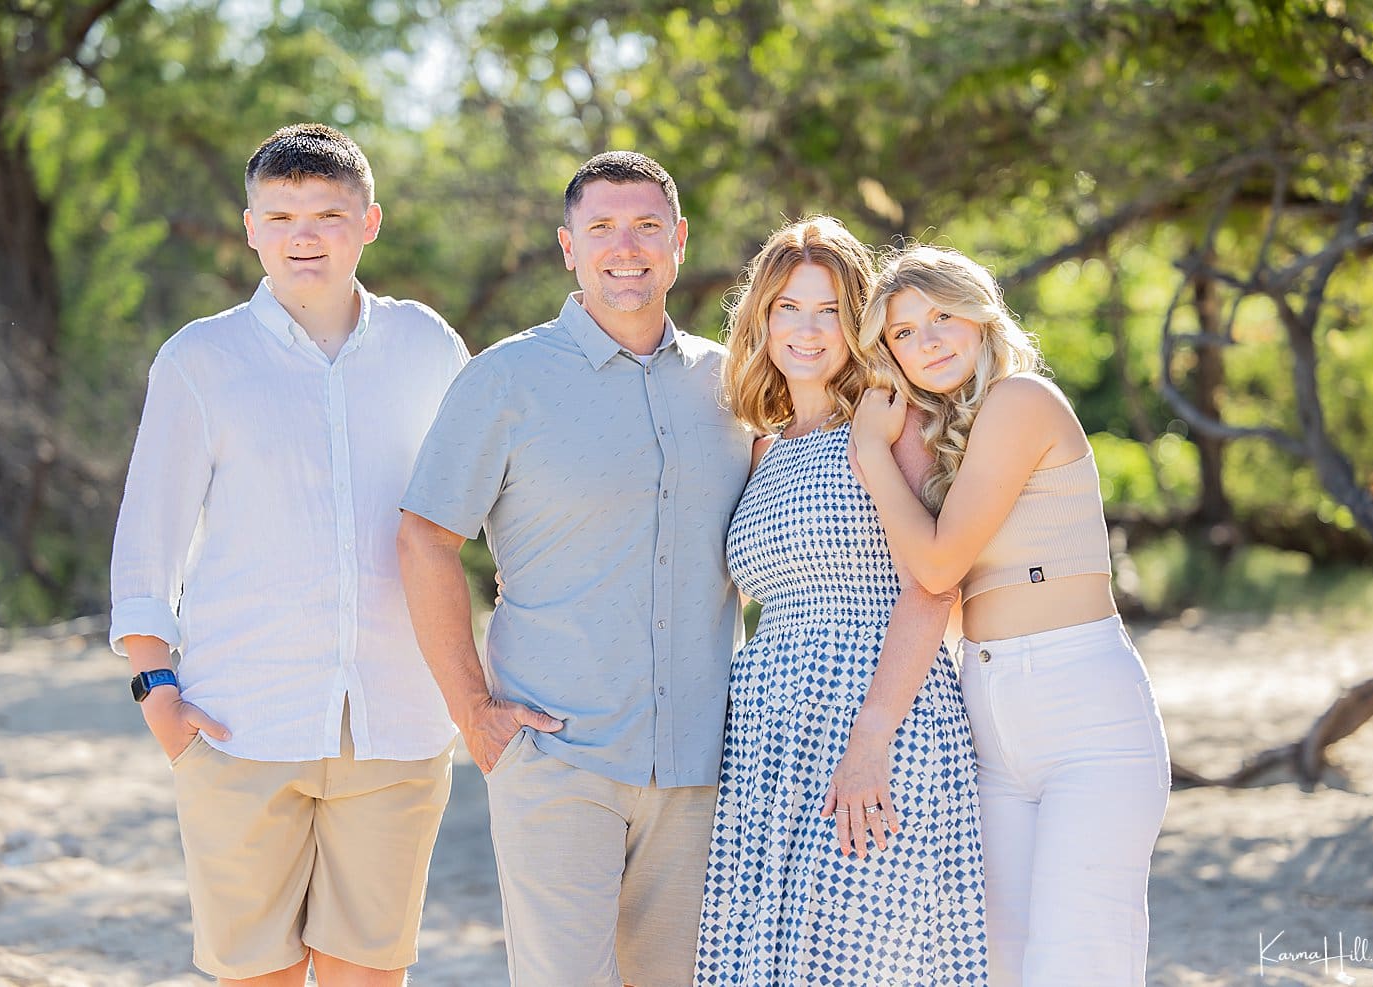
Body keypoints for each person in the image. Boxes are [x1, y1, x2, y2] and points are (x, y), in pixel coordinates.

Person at [109, 123, 468, 987]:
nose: (305, 234)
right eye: (282, 215)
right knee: (255, 979)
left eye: (328, 214)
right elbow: (148, 533)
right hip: (239, 723)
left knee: (368, 976)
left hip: (398, 726)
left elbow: (495, 506)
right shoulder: (202, 358)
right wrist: (157, 689)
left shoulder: (429, 348)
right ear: (251, 229)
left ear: (370, 221)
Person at [396, 150, 751, 987]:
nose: (624, 246)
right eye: (601, 228)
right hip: (559, 753)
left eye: (645, 226)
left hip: (701, 761)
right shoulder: (505, 379)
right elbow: (423, 538)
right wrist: (473, 711)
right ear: (567, 246)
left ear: (678, 241)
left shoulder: (732, 382)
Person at [851, 243, 1172, 986]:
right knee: (1001, 963)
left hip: (1083, 710)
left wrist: (870, 451)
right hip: (988, 713)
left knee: (1079, 962)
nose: (925, 341)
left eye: (940, 315)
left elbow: (934, 567)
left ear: (980, 314)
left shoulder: (1021, 401)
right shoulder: (947, 437)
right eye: (901, 332)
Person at [693, 217, 988, 986]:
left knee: (860, 959)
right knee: (773, 960)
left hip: (880, 714)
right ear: (760, 319)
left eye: (829, 310)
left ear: (857, 321)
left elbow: (932, 582)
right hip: (771, 733)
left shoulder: (893, 420)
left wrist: (871, 736)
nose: (808, 329)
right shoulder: (761, 444)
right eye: (788, 307)